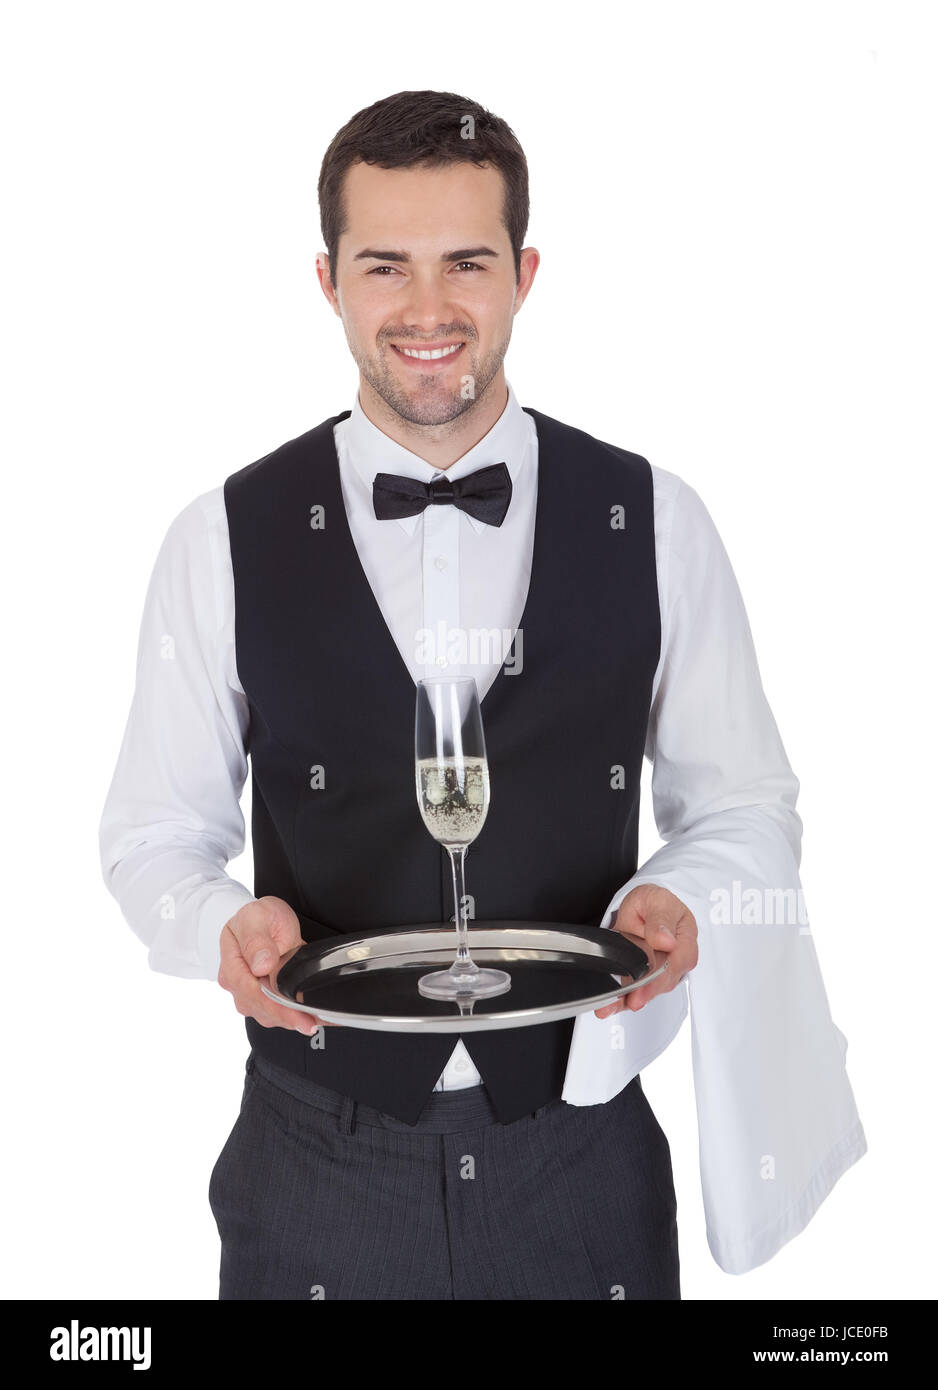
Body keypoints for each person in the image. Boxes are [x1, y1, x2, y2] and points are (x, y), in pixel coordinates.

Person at [99, 88, 866, 1300]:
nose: (427, 309)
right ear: (327, 282)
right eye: (383, 266)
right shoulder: (220, 538)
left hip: (581, 1159)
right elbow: (152, 834)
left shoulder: (654, 519)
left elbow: (746, 805)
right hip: (313, 1164)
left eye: (466, 262)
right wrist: (219, 929)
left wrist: (678, 892)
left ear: (524, 274)